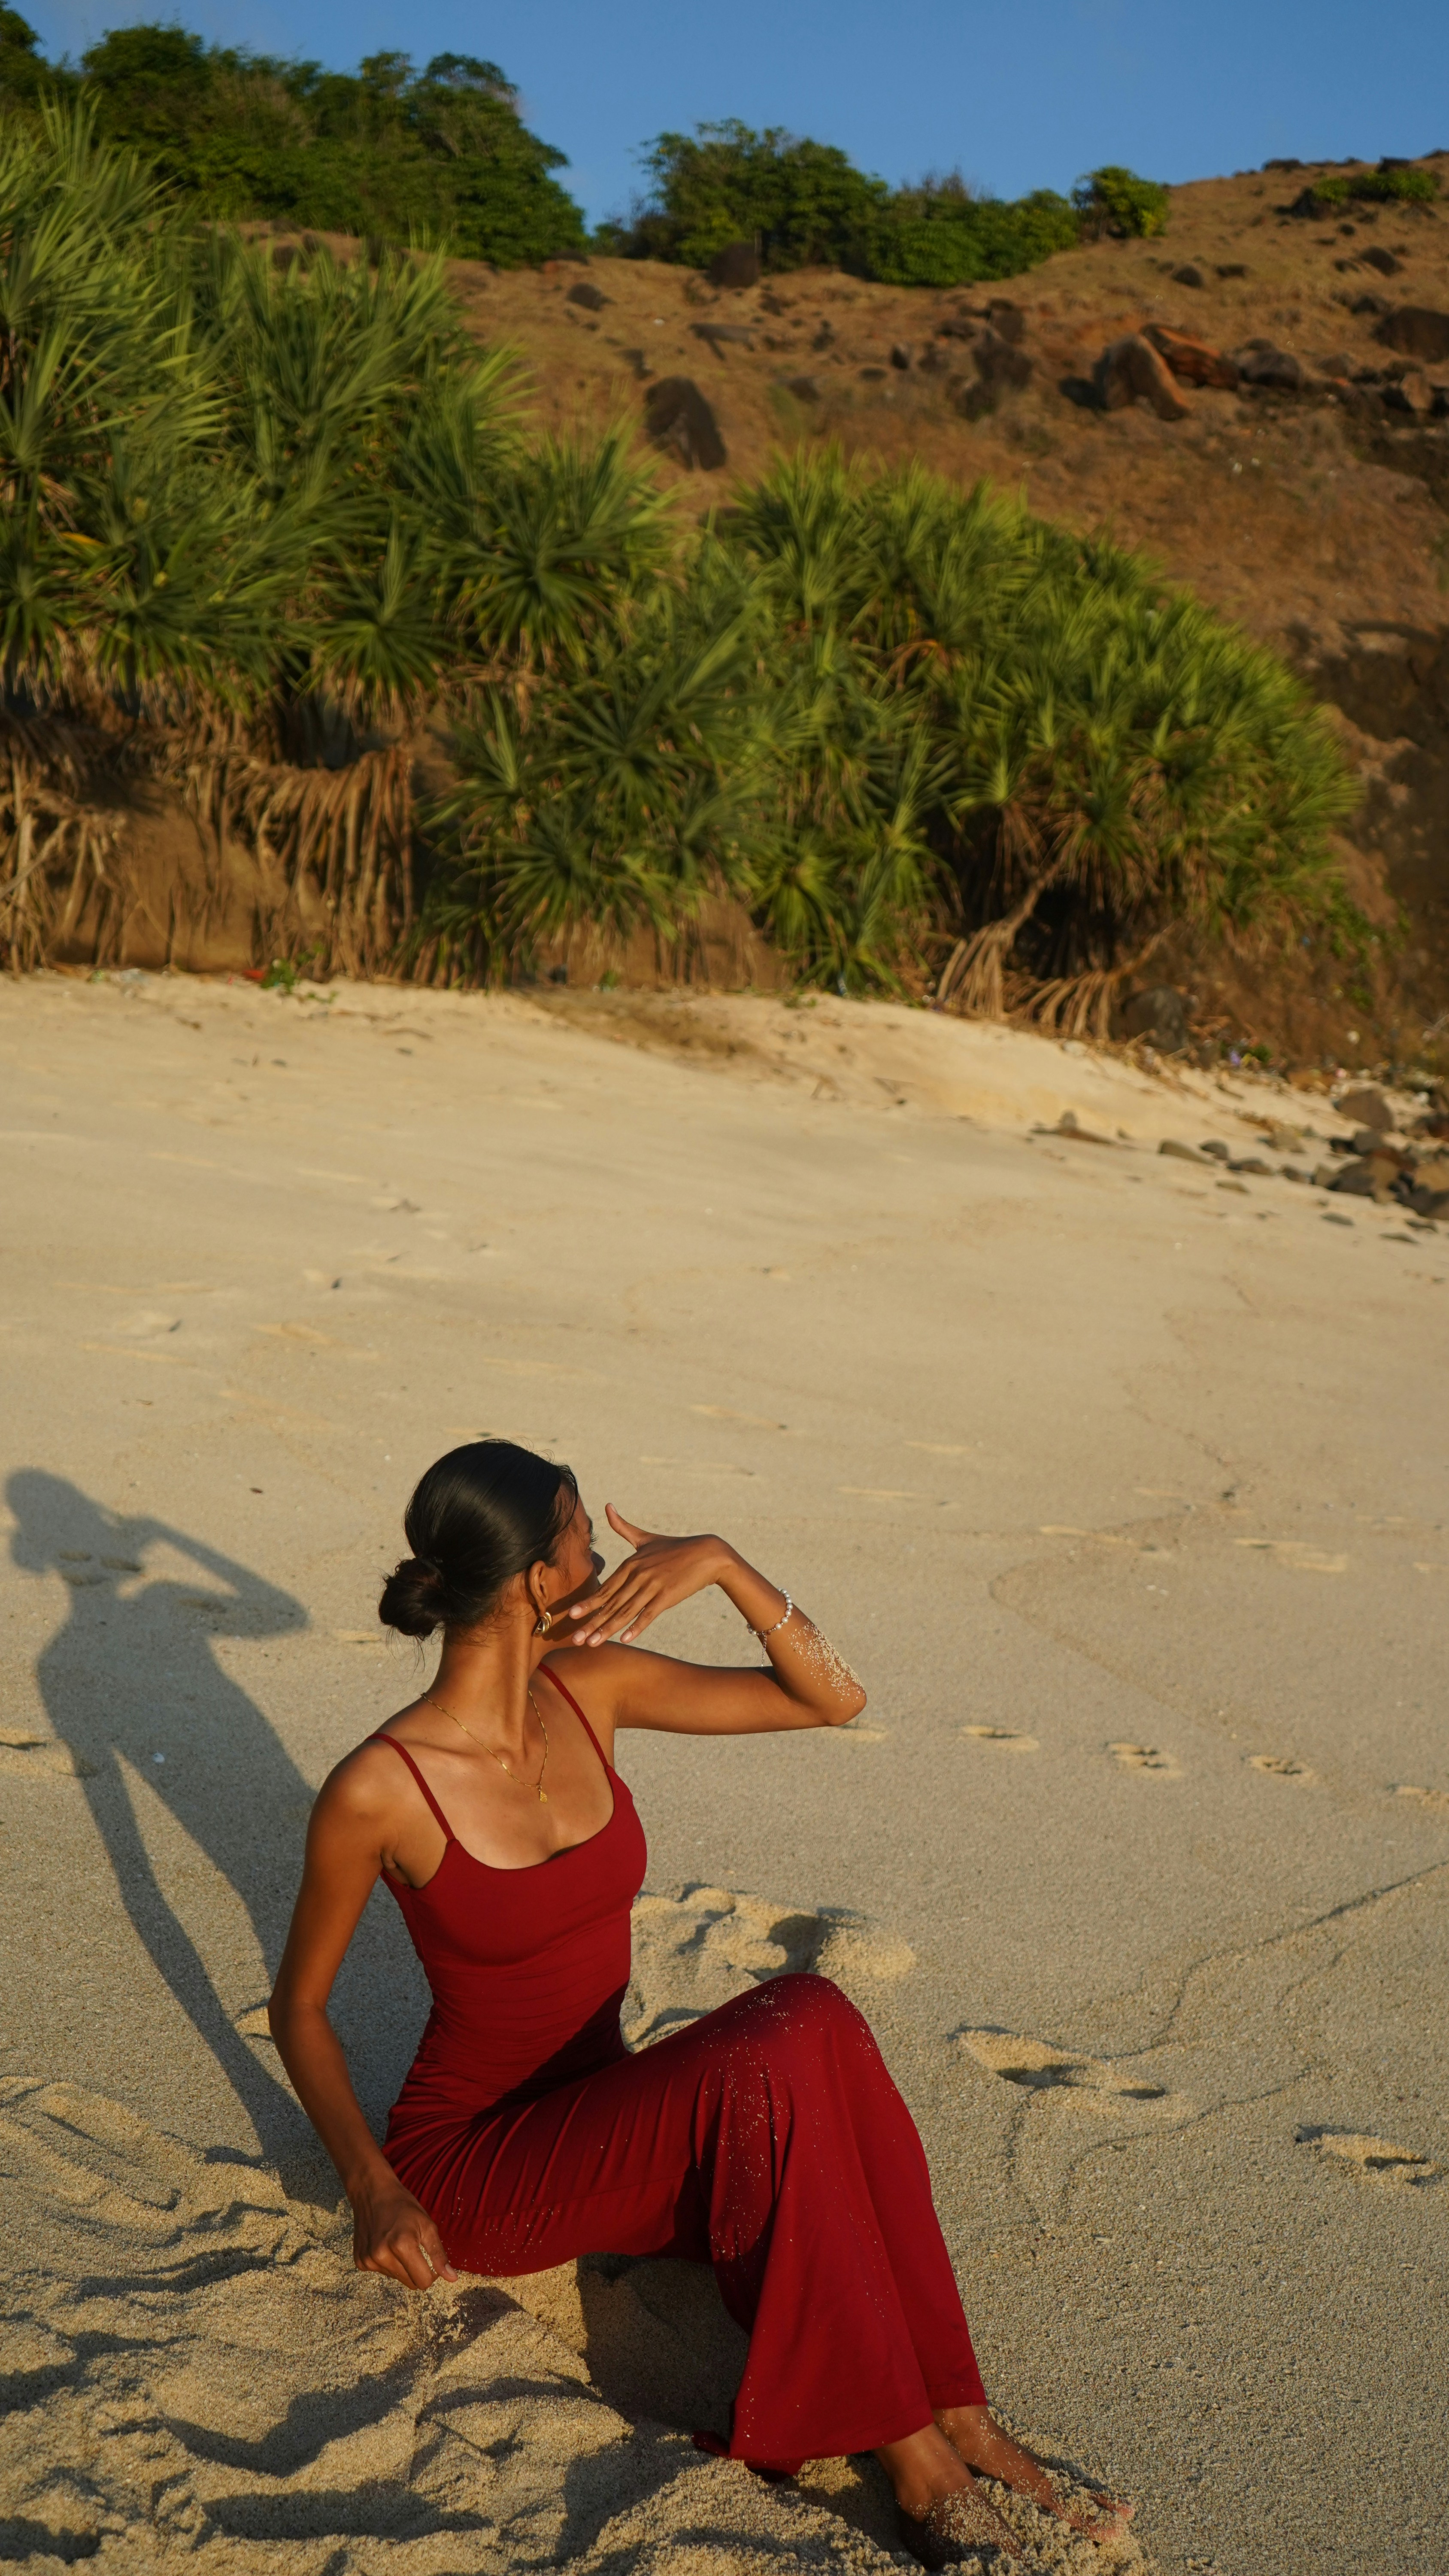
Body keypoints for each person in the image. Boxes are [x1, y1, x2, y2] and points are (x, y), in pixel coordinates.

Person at [270, 1440, 1131, 2567]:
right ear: (536, 1575)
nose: (599, 1549)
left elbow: (831, 1698)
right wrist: (373, 2187)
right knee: (769, 2047)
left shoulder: (589, 1691)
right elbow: (300, 2010)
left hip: (612, 2112)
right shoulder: (380, 1786)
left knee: (813, 2018)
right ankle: (920, 2467)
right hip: (477, 2168)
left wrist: (726, 1566)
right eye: (579, 1531)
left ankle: (955, 2403)